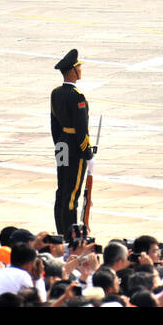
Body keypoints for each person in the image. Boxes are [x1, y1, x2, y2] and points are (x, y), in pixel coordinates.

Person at [49, 49, 95, 236]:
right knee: (72, 194)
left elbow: (54, 124)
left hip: (62, 144)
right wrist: (87, 153)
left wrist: (59, 145)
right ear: (72, 71)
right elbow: (81, 128)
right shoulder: (77, 96)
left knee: (62, 190)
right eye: (79, 67)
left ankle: (61, 231)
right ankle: (70, 235)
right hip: (75, 148)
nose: (81, 70)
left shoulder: (56, 93)